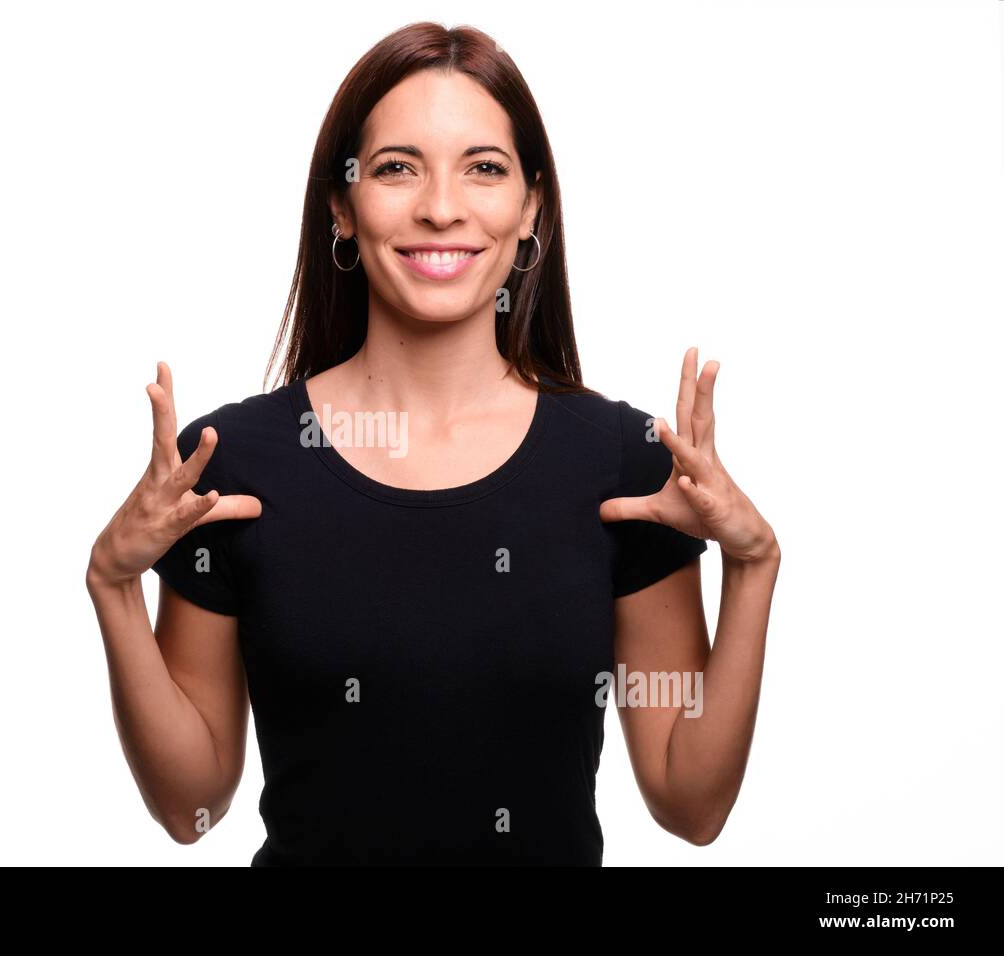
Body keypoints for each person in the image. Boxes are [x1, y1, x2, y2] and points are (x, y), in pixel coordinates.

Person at [86, 21, 780, 866]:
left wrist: (753, 567)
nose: (441, 207)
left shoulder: (625, 468)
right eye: (396, 168)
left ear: (532, 209)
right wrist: (114, 587)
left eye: (483, 168)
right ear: (342, 207)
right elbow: (190, 803)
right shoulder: (231, 465)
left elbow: (690, 803)